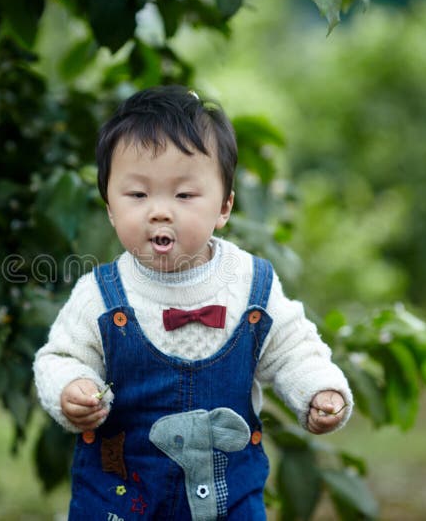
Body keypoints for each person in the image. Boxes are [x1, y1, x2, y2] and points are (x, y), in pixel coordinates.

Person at [33, 85, 352, 520]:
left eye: (184, 195)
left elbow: (294, 349)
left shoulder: (249, 283)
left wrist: (319, 389)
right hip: (119, 503)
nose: (160, 211)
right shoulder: (99, 295)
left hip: (228, 502)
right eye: (138, 195)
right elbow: (60, 357)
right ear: (110, 207)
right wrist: (72, 388)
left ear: (224, 206)